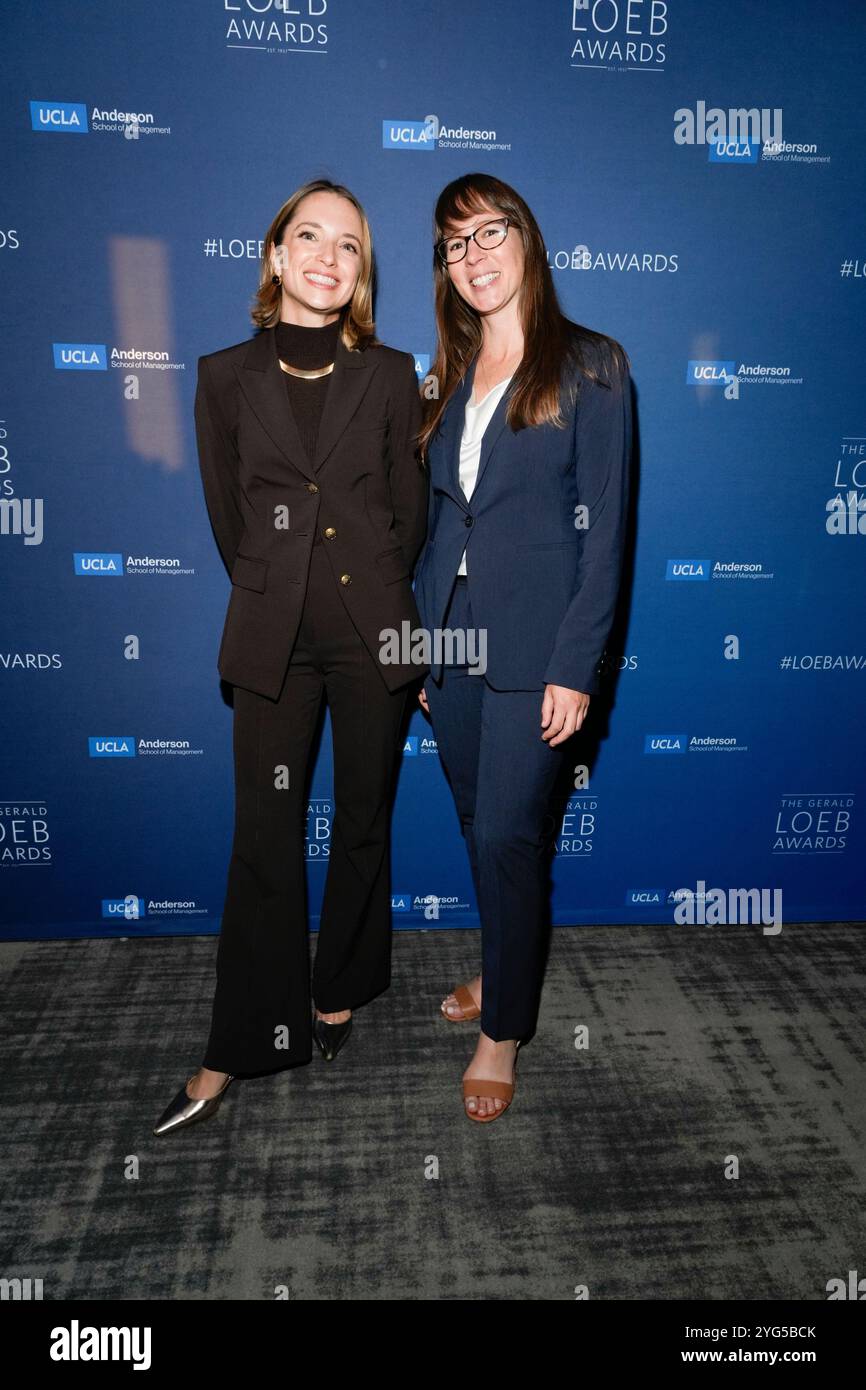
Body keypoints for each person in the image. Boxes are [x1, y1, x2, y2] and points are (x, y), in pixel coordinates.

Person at [154, 179, 428, 1136]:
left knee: (363, 820)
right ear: (275, 257)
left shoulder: (392, 377)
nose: (326, 255)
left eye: (347, 244)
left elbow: (408, 514)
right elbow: (232, 523)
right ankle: (243, 1039)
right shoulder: (223, 375)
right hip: (272, 641)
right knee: (263, 840)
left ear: (360, 273)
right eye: (308, 236)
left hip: (374, 638)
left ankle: (342, 985)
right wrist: (282, 592)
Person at [414, 173, 633, 1123]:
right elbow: (434, 522)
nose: (475, 257)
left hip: (538, 653)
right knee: (480, 828)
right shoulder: (446, 377)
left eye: (489, 233)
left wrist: (574, 668)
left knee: (507, 831)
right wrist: (419, 650)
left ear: (527, 238)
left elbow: (607, 538)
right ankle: (501, 958)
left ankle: (503, 1027)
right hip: (451, 647)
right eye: (455, 245)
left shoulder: (594, 366)